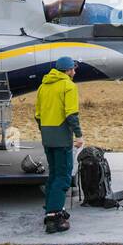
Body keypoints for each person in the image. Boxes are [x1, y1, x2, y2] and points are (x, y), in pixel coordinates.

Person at [34, 55, 84, 233]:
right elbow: (71, 114)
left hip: (47, 136)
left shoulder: (43, 86)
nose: (75, 72)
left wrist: (46, 132)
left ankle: (51, 209)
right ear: (68, 70)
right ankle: (54, 218)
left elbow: (38, 116)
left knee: (54, 174)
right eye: (73, 69)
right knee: (63, 176)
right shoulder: (68, 86)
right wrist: (79, 135)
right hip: (62, 137)